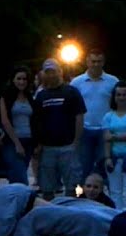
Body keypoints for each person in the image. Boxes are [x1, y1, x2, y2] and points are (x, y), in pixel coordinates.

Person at [32, 59, 86, 199]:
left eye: (53, 71)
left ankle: (76, 205)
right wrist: (38, 144)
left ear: (60, 72)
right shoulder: (41, 95)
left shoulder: (72, 92)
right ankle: (50, 210)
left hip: (68, 146)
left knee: (75, 184)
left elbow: (79, 118)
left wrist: (76, 141)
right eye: (47, 72)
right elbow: (37, 121)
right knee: (47, 186)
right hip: (47, 147)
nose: (51, 75)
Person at [69, 50, 119, 182]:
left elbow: (118, 104)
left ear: (103, 62)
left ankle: (101, 198)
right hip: (84, 130)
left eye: (99, 61)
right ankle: (84, 197)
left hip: (105, 129)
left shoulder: (113, 81)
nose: (96, 64)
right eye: (93, 61)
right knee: (84, 166)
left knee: (104, 166)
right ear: (87, 62)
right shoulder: (76, 82)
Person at [0, 66, 36, 185]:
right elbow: (5, 120)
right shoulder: (6, 97)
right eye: (19, 78)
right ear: (13, 80)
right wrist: (17, 144)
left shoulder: (30, 97)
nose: (22, 82)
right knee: (20, 177)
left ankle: (15, 201)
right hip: (12, 141)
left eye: (24, 79)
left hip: (28, 140)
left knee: (18, 175)